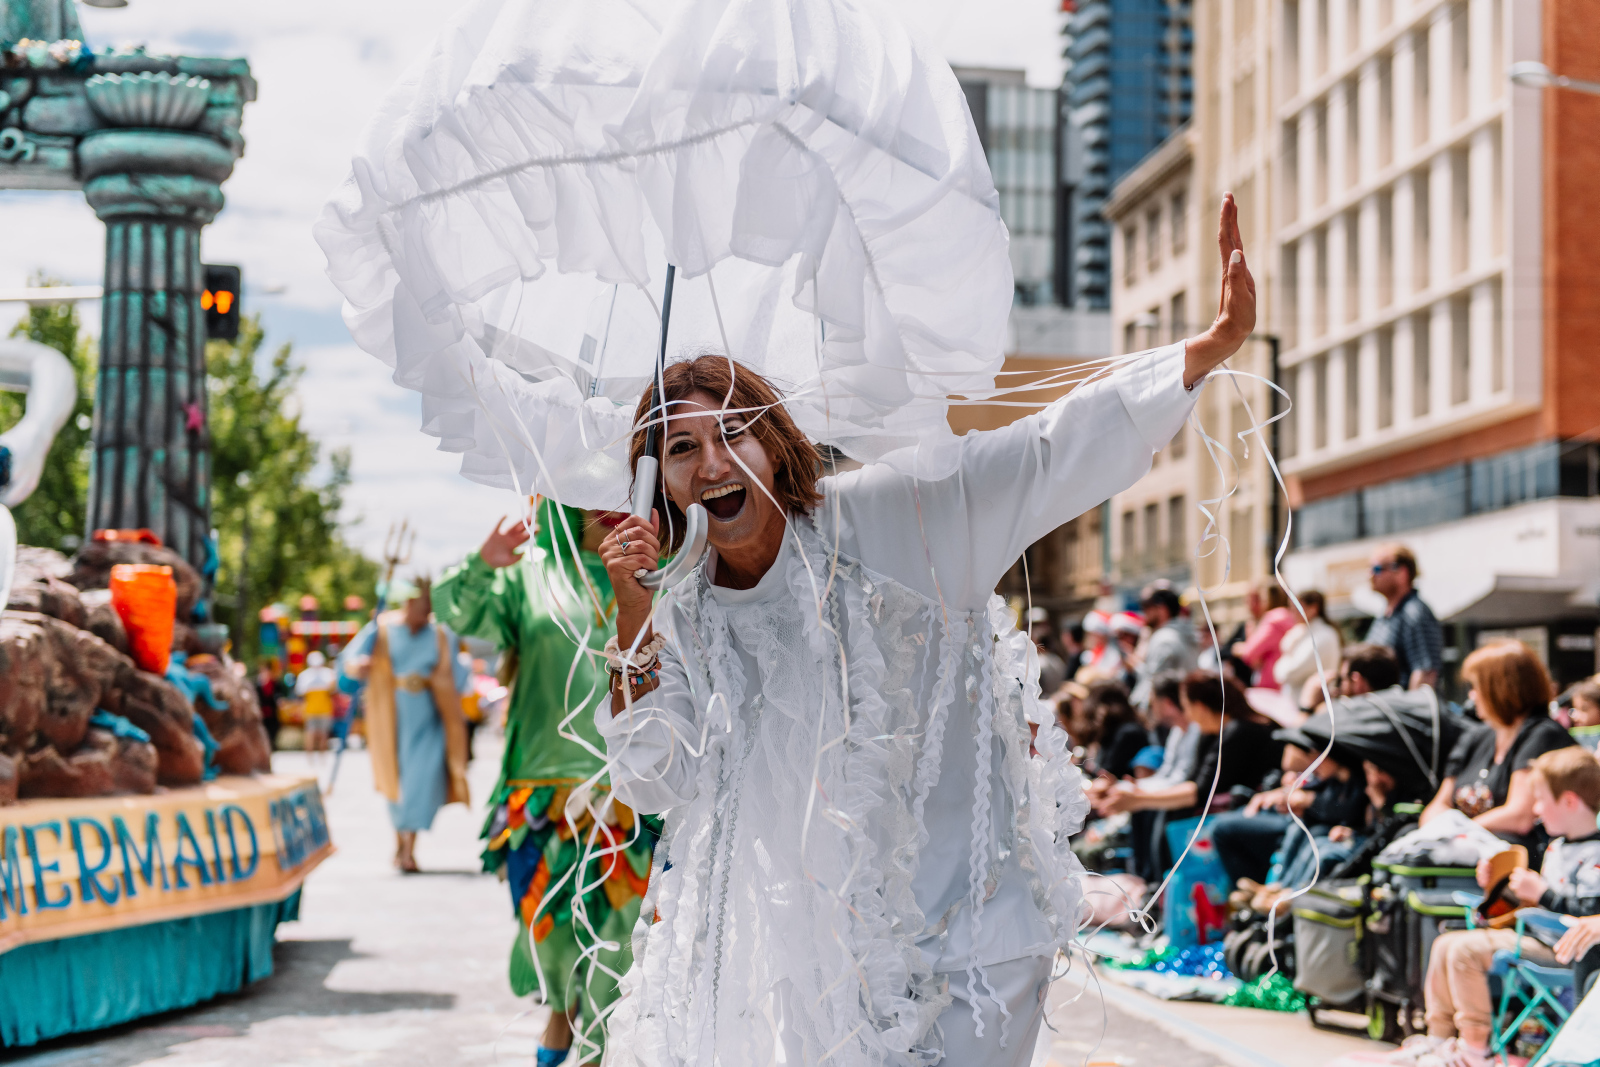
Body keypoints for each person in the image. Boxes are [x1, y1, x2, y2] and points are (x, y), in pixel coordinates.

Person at [594, 196, 1255, 1066]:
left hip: (975, 937)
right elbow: (654, 778)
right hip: (819, 974)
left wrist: (1200, 353)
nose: (713, 462)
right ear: (659, 484)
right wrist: (634, 609)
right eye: (681, 448)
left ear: (776, 443)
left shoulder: (892, 514)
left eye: (733, 433)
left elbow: (1042, 454)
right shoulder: (681, 611)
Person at [433, 502, 659, 1067]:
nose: (609, 505)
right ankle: (560, 1013)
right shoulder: (527, 573)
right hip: (541, 793)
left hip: (632, 791)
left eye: (623, 486)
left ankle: (598, 1048)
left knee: (619, 934)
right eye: (591, 489)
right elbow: (457, 613)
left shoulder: (662, 569)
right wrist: (482, 565)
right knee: (550, 933)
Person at [1389, 747, 1600, 1067]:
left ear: (1569, 801)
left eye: (1541, 800)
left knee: (1465, 951)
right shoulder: (1556, 846)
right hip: (1536, 937)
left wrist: (1542, 893)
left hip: (1563, 949)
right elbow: (1535, 902)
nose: (1536, 810)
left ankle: (1475, 1048)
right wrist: (1500, 885)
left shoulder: (1594, 853)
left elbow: (1589, 911)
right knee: (1445, 944)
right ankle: (1440, 1038)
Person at [342, 579, 472, 874]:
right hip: (391, 717)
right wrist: (360, 665)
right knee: (395, 779)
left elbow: (457, 673)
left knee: (419, 782)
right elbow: (350, 659)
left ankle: (408, 848)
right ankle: (400, 842)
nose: (427, 611)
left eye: (430, 604)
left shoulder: (440, 633)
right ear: (409, 601)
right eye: (423, 603)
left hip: (430, 717)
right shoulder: (382, 628)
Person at [1420, 640, 1577, 858]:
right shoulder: (1475, 736)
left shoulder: (1543, 734)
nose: (1472, 696)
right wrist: (1441, 831)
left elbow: (1520, 816)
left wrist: (1457, 832)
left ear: (1503, 688)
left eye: (1476, 687)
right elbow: (1438, 804)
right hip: (1461, 848)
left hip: (1511, 855)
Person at [1092, 671, 1284, 824]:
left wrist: (1139, 799)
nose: (1189, 717)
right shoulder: (1220, 732)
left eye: (1187, 707)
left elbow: (1199, 792)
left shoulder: (1239, 731)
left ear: (1200, 707)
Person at [1366, 543, 1444, 691]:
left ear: (1402, 573)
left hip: (1400, 705)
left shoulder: (1414, 613)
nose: (1370, 575)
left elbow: (1425, 673)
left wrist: (1410, 706)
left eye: (1377, 569)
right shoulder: (1385, 614)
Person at [1129, 582, 1197, 708]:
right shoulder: (1184, 632)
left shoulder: (1163, 639)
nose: (1143, 612)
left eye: (1146, 606)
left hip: (1171, 711)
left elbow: (1152, 685)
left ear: (1162, 609)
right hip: (1186, 708)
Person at [1274, 589, 1342, 694]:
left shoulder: (1322, 636)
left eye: (1296, 608)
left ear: (1313, 608)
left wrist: (1281, 665)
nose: (1292, 613)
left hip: (1311, 700)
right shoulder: (1302, 632)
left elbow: (1290, 673)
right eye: (1291, 608)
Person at [1232, 580, 1296, 689]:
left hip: (1270, 681)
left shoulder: (1273, 619)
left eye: (1262, 599)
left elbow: (1250, 653)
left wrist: (1239, 648)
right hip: (1286, 681)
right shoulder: (1290, 617)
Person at [294, 650, 338, 756]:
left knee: (323, 733)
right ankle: (309, 756)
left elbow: (334, 690)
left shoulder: (328, 673)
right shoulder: (304, 675)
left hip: (324, 708)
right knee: (310, 733)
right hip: (310, 709)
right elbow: (299, 691)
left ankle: (323, 756)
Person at [255, 662, 282, 750]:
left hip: (272, 711)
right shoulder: (258, 685)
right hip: (262, 712)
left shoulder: (275, 684)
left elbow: (278, 695)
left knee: (273, 729)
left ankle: (272, 744)